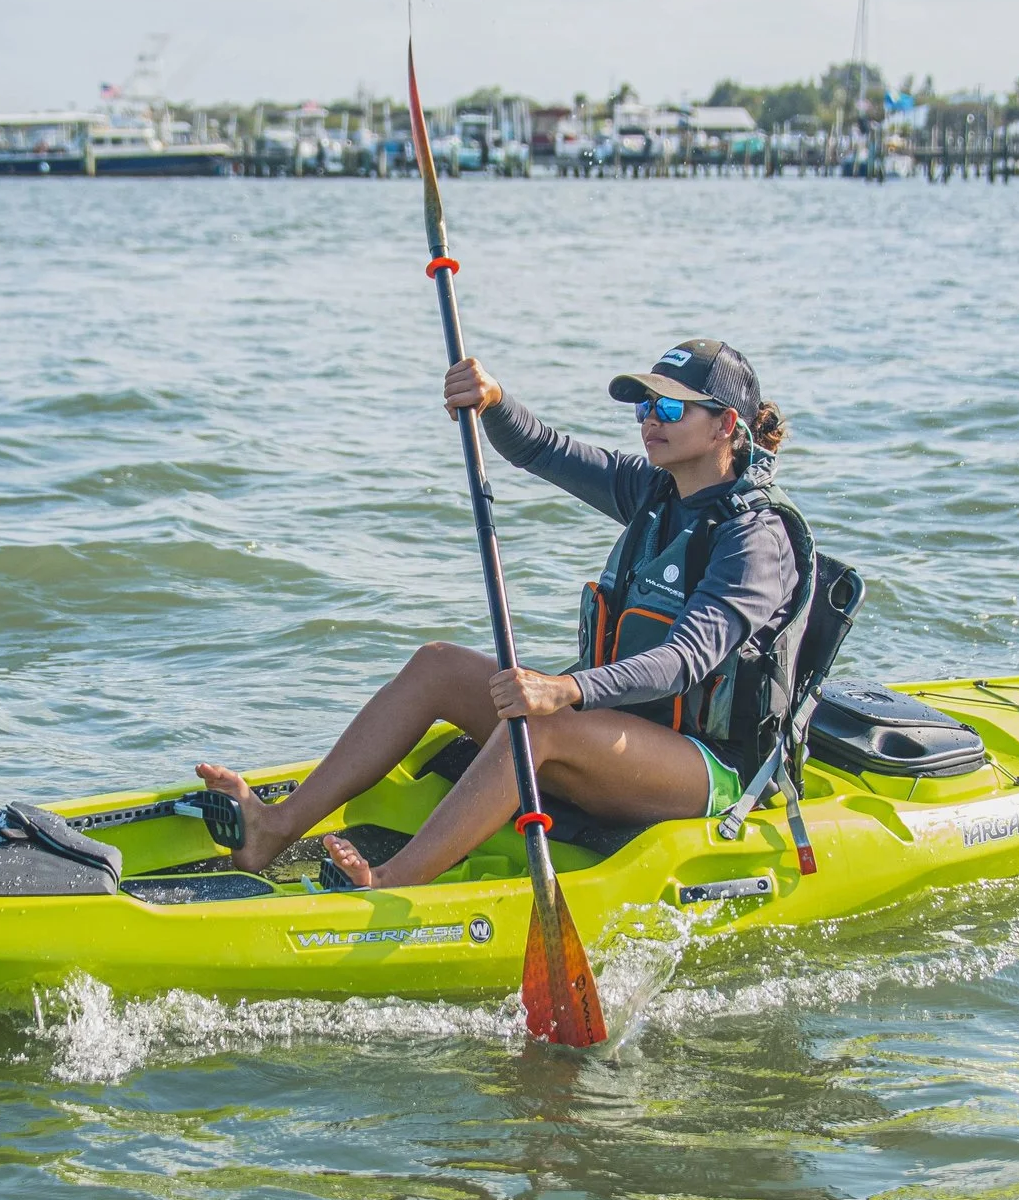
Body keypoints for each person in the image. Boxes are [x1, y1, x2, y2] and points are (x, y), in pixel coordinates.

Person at [197, 338, 805, 890]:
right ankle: (273, 827)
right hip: (619, 733)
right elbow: (543, 448)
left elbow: (683, 661)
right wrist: (492, 401)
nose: (650, 420)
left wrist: (566, 689)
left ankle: (389, 883)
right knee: (436, 665)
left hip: (709, 769)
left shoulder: (754, 540)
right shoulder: (653, 492)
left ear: (727, 425)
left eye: (670, 409)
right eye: (644, 407)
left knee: (541, 722)